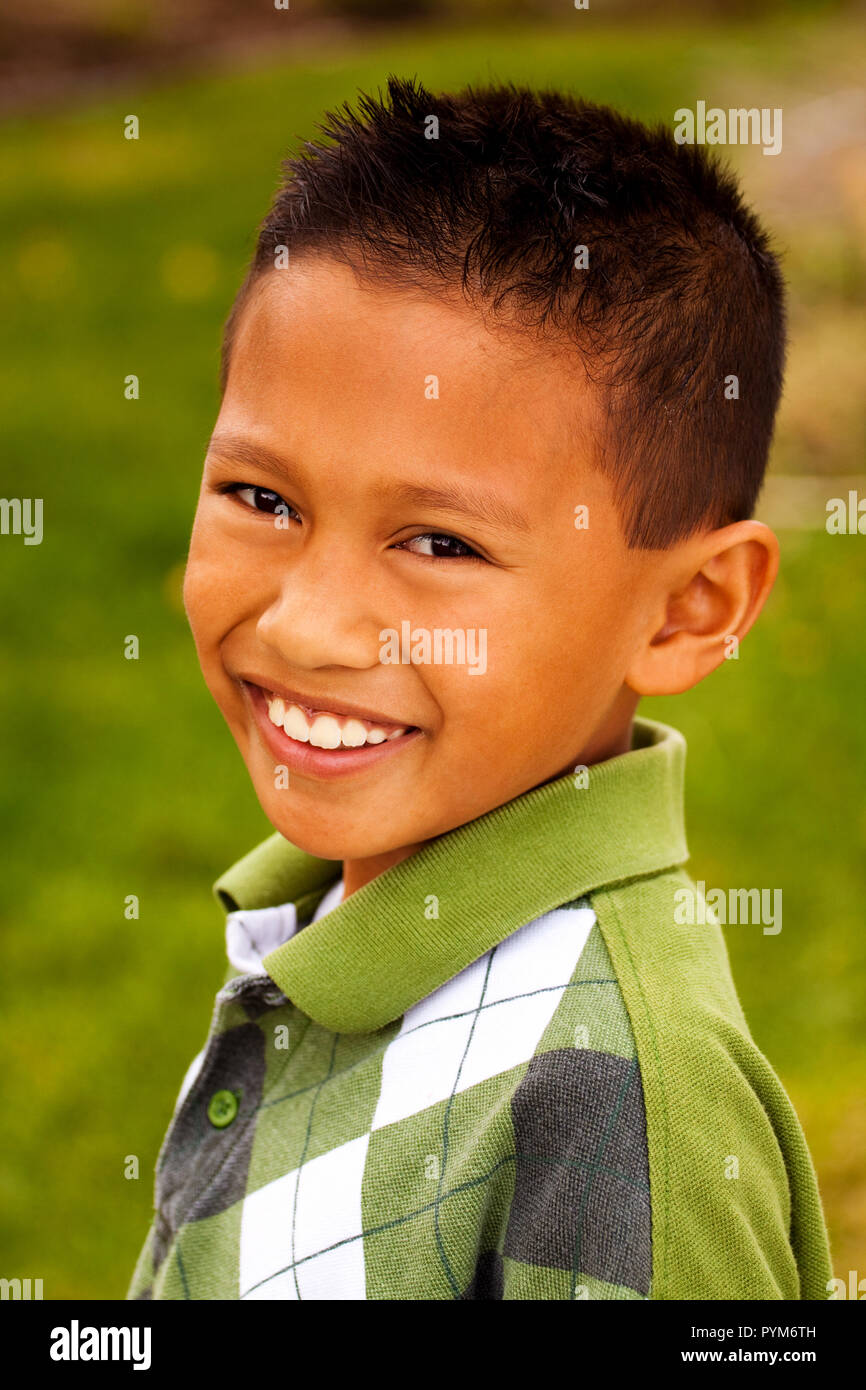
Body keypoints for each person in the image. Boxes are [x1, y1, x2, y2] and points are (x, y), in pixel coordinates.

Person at [128, 77, 832, 1300]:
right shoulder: (324, 919)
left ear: (687, 611)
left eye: (440, 544)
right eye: (263, 499)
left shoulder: (617, 1108)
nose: (307, 625)